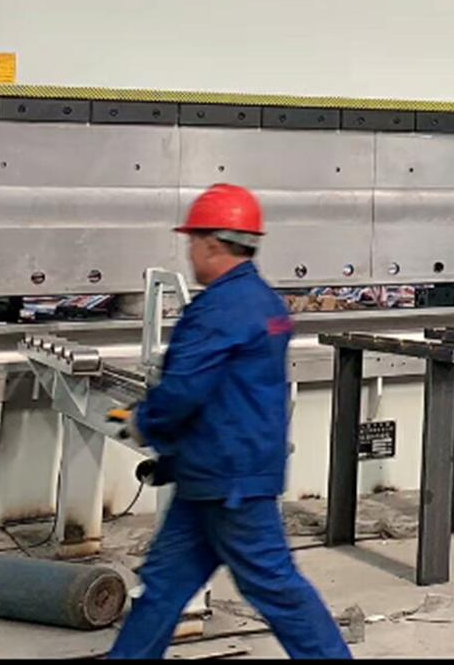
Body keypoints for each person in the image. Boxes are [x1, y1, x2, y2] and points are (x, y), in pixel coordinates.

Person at [108, 185, 350, 660]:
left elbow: (184, 390)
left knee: (275, 586)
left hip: (228, 482)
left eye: (193, 242)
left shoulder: (218, 310)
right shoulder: (265, 303)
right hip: (215, 475)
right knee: (163, 587)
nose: (190, 253)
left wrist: (144, 421)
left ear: (213, 244)